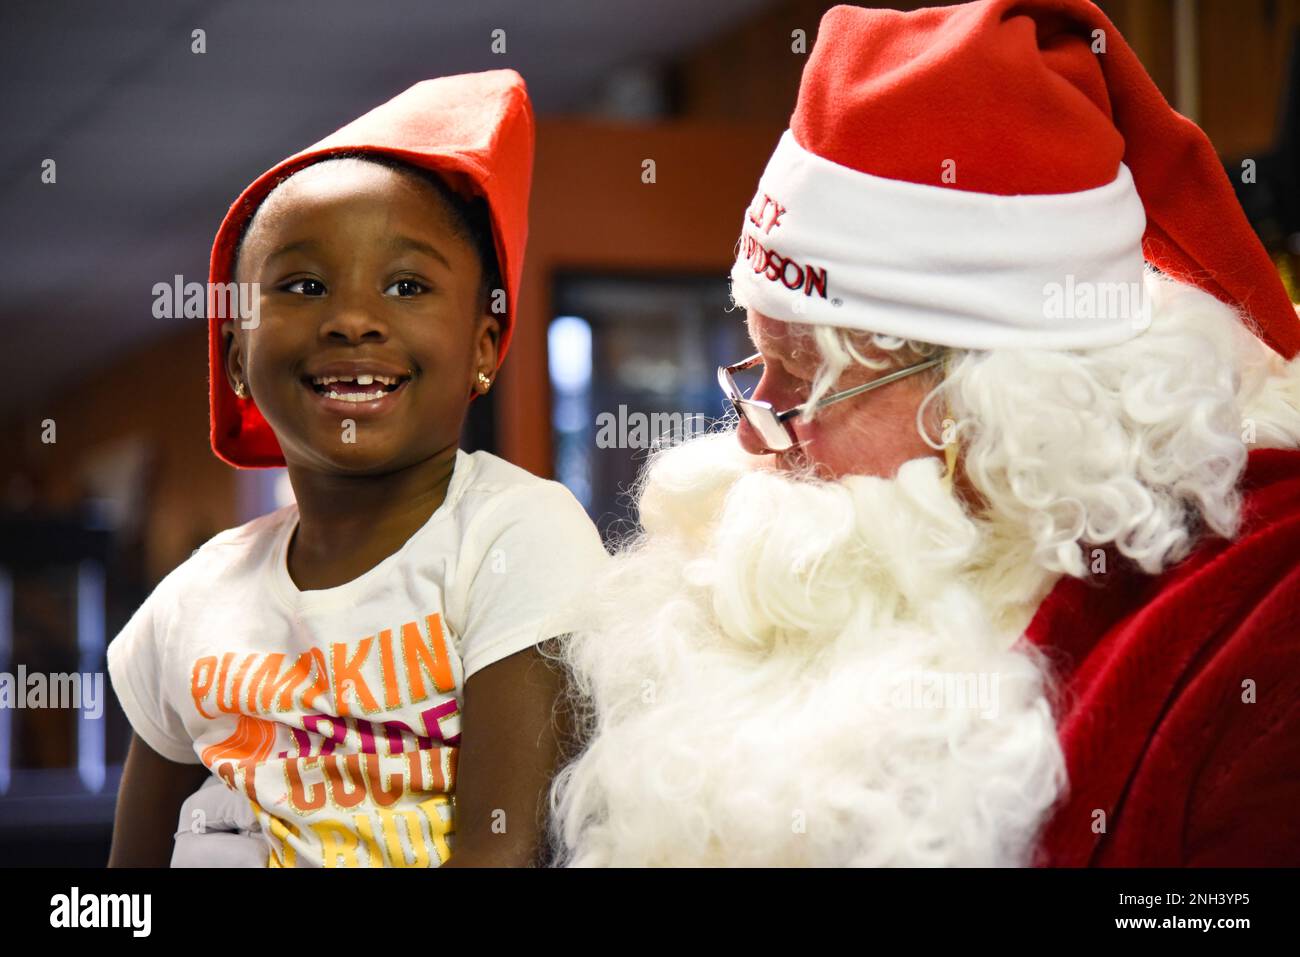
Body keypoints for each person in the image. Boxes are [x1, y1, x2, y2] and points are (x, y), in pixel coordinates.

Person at [549, 0, 1300, 867]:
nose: (756, 439)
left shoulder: (1256, 633)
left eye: (812, 381)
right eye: (758, 365)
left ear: (1005, 404)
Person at [106, 70, 609, 868]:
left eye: (407, 285)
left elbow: (503, 854)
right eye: (303, 285)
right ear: (235, 355)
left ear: (484, 345)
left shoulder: (515, 533)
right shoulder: (192, 602)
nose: (351, 320)